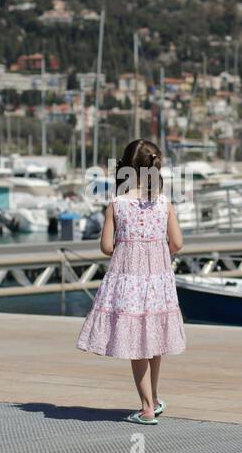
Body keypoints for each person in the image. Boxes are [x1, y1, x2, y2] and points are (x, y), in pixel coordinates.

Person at [76, 139, 186, 424]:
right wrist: (160, 252)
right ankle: (155, 397)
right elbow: (177, 242)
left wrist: (128, 248)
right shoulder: (164, 203)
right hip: (158, 281)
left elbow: (106, 247)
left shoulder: (117, 204)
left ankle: (147, 407)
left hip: (129, 280)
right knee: (154, 342)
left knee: (137, 344)